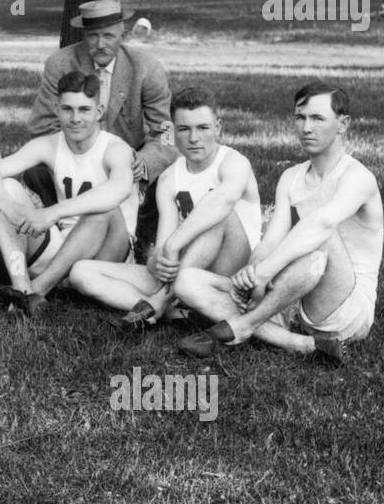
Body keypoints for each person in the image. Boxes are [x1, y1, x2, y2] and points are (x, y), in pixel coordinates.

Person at [175, 81, 384, 362]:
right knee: (186, 281)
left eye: (318, 118)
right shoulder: (291, 177)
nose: (306, 127)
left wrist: (266, 272)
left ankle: (244, 326)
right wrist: (251, 275)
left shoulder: (358, 177)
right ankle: (300, 344)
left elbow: (321, 226)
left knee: (320, 235)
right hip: (292, 296)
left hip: (345, 310)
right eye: (301, 117)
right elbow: (270, 241)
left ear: (343, 124)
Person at [70, 86, 262, 327]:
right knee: (82, 272)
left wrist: (172, 247)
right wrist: (158, 262)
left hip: (232, 271)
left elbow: (224, 201)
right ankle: (177, 312)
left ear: (218, 128)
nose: (194, 138)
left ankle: (159, 304)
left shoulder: (234, 162)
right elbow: (163, 247)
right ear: (172, 132)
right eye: (184, 129)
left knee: (221, 216)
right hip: (184, 270)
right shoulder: (169, 178)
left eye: (203, 128)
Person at [0, 71, 137, 317]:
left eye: (84, 109)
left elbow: (118, 189)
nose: (75, 118)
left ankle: (36, 290)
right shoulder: (50, 144)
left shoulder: (115, 148)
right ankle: (21, 286)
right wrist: (10, 207)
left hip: (109, 252)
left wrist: (52, 213)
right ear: (56, 109)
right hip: (63, 246)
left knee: (102, 207)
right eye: (67, 109)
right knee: (6, 186)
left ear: (99, 110)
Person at [27, 0, 177, 255]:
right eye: (93, 35)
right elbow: (42, 125)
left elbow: (166, 134)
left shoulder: (146, 68)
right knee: (35, 171)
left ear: (124, 34)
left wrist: (145, 161)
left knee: (167, 171)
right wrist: (79, 155)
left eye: (109, 35)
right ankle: (60, 231)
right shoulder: (60, 64)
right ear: (84, 35)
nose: (101, 44)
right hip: (74, 153)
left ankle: (142, 238)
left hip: (128, 158)